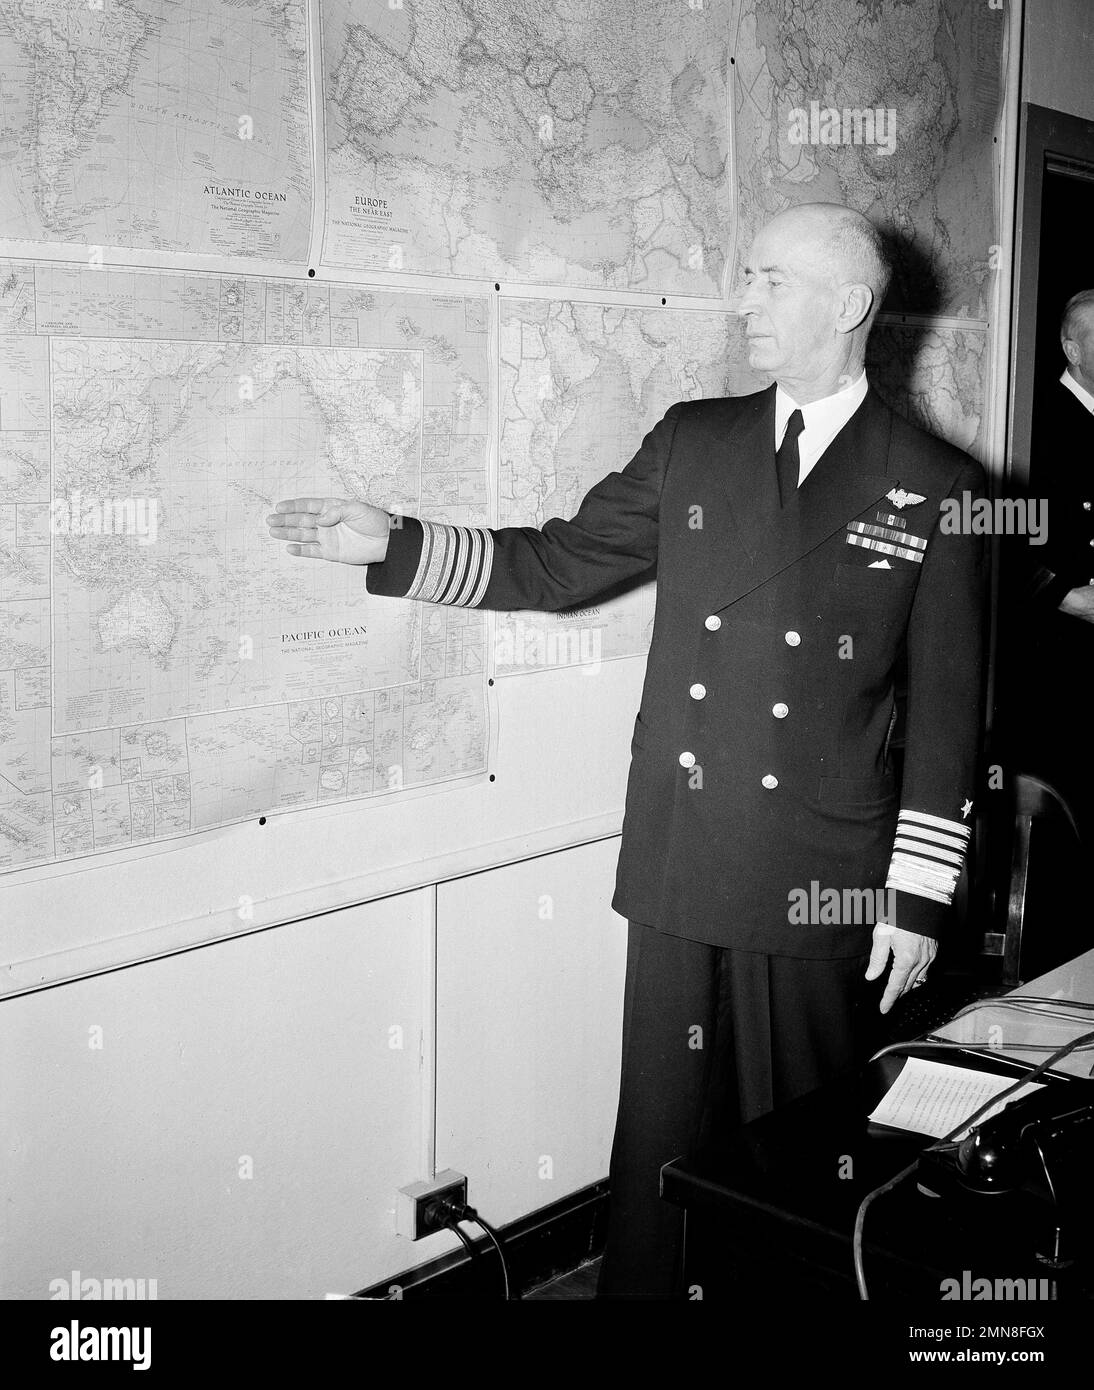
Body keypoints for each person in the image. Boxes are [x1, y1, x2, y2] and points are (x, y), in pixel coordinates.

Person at [267, 202, 988, 1298]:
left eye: (770, 281)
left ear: (847, 306)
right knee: (656, 1128)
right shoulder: (694, 440)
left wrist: (917, 898)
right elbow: (559, 562)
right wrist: (398, 543)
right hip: (682, 846)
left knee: (794, 1148)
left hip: (817, 874)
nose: (743, 300)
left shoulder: (932, 481)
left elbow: (945, 711)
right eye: (746, 277)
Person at [1013, 289, 1094, 845]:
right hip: (1056, 645)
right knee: (1065, 797)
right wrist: (1066, 596)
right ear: (1070, 346)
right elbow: (1000, 533)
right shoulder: (1033, 420)